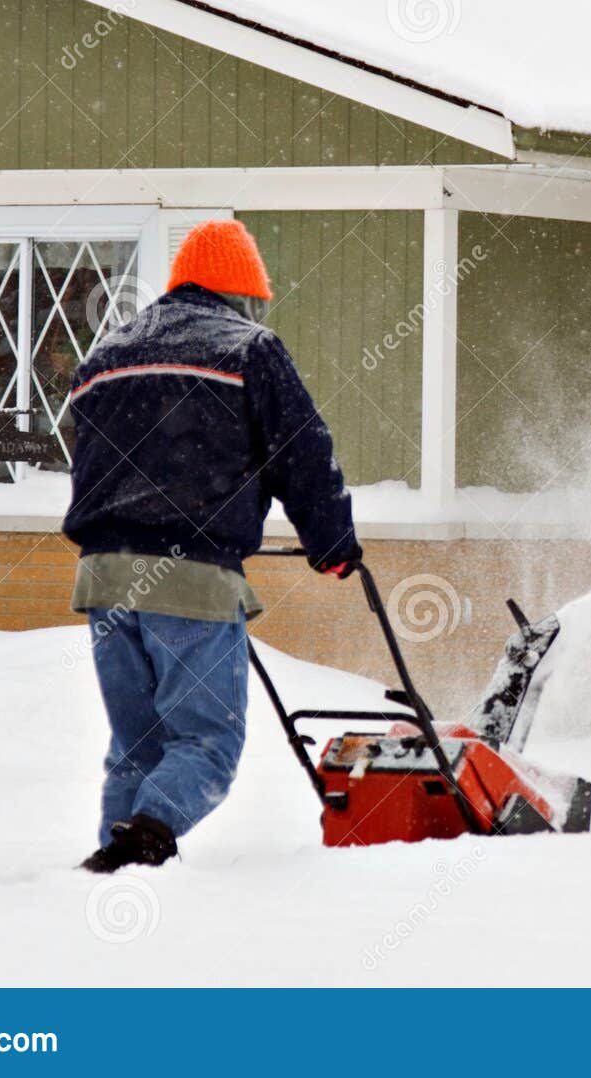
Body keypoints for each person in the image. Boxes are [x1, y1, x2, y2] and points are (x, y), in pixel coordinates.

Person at [62, 219, 361, 874]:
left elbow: (86, 461)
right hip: (189, 577)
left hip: (104, 578)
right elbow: (301, 452)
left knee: (136, 746)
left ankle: (110, 875)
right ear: (244, 294)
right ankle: (143, 842)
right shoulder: (249, 348)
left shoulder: (105, 354)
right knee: (208, 740)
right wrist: (331, 541)